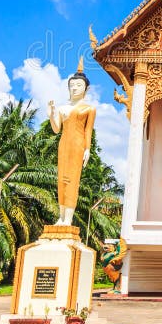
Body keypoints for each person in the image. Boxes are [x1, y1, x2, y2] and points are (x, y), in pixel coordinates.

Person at [48, 60, 96, 226]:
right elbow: (56, 129)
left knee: (72, 180)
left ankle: (68, 219)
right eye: (72, 85)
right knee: (61, 179)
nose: (74, 88)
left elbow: (88, 130)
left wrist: (88, 149)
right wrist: (52, 113)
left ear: (86, 89)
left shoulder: (89, 108)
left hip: (78, 145)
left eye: (78, 85)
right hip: (64, 144)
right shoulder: (63, 108)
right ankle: (60, 217)